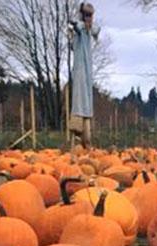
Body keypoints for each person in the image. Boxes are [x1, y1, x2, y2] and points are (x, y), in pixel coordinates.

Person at [68, 3, 99, 149]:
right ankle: (78, 134)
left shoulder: (89, 30)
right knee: (79, 99)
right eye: (86, 15)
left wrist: (87, 26)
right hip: (80, 70)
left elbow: (95, 29)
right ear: (82, 15)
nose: (89, 18)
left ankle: (87, 141)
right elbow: (78, 26)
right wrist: (75, 25)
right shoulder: (79, 29)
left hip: (87, 71)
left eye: (90, 15)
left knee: (86, 101)